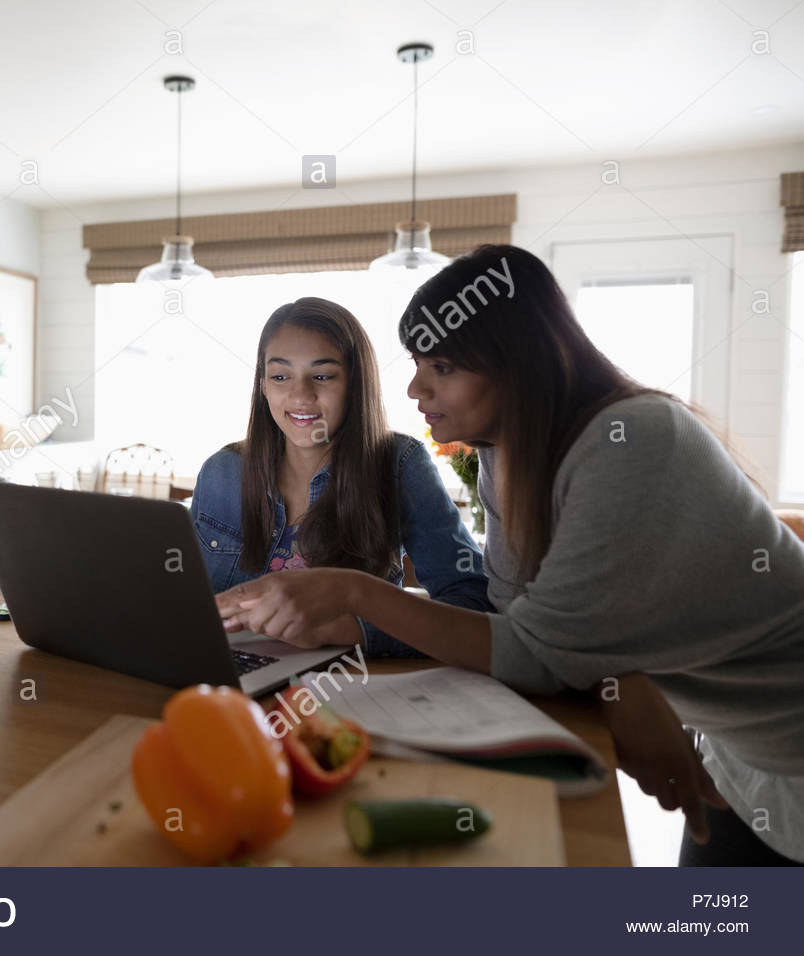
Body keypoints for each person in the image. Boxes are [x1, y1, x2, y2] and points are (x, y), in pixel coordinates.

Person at [216, 246, 804, 865]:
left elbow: (533, 651)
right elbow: (515, 616)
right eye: (419, 363)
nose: (415, 386)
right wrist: (620, 683)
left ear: (519, 363)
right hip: (739, 759)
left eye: (441, 366)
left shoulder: (631, 439)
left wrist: (355, 591)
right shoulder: (503, 454)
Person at [191, 296, 491, 657]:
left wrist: (344, 631)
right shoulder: (221, 472)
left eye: (322, 376)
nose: (301, 395)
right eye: (281, 376)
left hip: (347, 684)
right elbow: (188, 602)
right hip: (227, 678)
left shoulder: (399, 463)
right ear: (262, 385)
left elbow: (473, 603)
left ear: (355, 383)